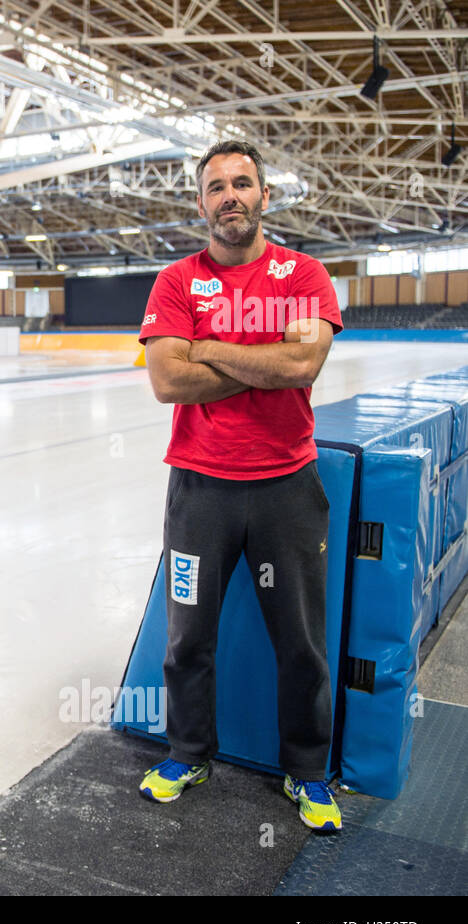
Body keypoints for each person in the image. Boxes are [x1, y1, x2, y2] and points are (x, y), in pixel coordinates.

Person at [137, 139, 344, 832]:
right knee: (187, 636)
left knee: (302, 640)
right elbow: (169, 380)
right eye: (217, 186)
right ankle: (188, 752)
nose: (230, 195)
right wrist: (268, 359)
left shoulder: (302, 273)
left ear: (263, 195)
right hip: (199, 493)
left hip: (287, 486)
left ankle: (307, 771)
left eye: (242, 183)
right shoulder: (175, 282)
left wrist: (212, 347)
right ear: (201, 203)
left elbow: (304, 364)